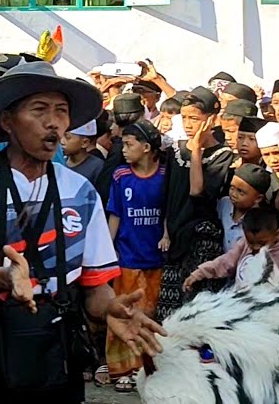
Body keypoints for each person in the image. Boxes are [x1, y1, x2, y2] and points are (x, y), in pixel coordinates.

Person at [0, 61, 163, 402]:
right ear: (7, 121)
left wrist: (112, 309)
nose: (54, 122)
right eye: (39, 110)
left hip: (53, 351)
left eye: (62, 112)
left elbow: (95, 288)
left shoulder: (80, 192)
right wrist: (6, 278)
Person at [156, 87, 236, 321]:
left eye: (195, 118)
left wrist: (197, 151)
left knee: (196, 307)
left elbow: (197, 190)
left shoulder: (222, 155)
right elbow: (168, 194)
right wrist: (165, 231)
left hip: (202, 238)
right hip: (175, 235)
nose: (189, 124)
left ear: (211, 119)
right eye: (185, 118)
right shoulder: (175, 150)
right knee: (168, 309)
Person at [104, 120, 169, 393]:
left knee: (149, 314)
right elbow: (115, 213)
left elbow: (169, 208)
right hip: (128, 258)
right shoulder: (121, 176)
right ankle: (122, 369)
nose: (124, 150)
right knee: (123, 313)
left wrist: (166, 234)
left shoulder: (166, 175)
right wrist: (107, 250)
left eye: (129, 145)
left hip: (155, 258)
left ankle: (146, 366)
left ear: (146, 148)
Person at [183, 206, 279, 292]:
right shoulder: (244, 245)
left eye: (262, 243)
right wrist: (199, 273)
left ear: (277, 234)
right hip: (239, 306)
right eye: (251, 242)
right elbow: (226, 262)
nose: (256, 247)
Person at [217, 163, 270, 253]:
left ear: (258, 198)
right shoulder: (224, 204)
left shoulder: (260, 223)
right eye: (232, 188)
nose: (233, 194)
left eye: (240, 192)